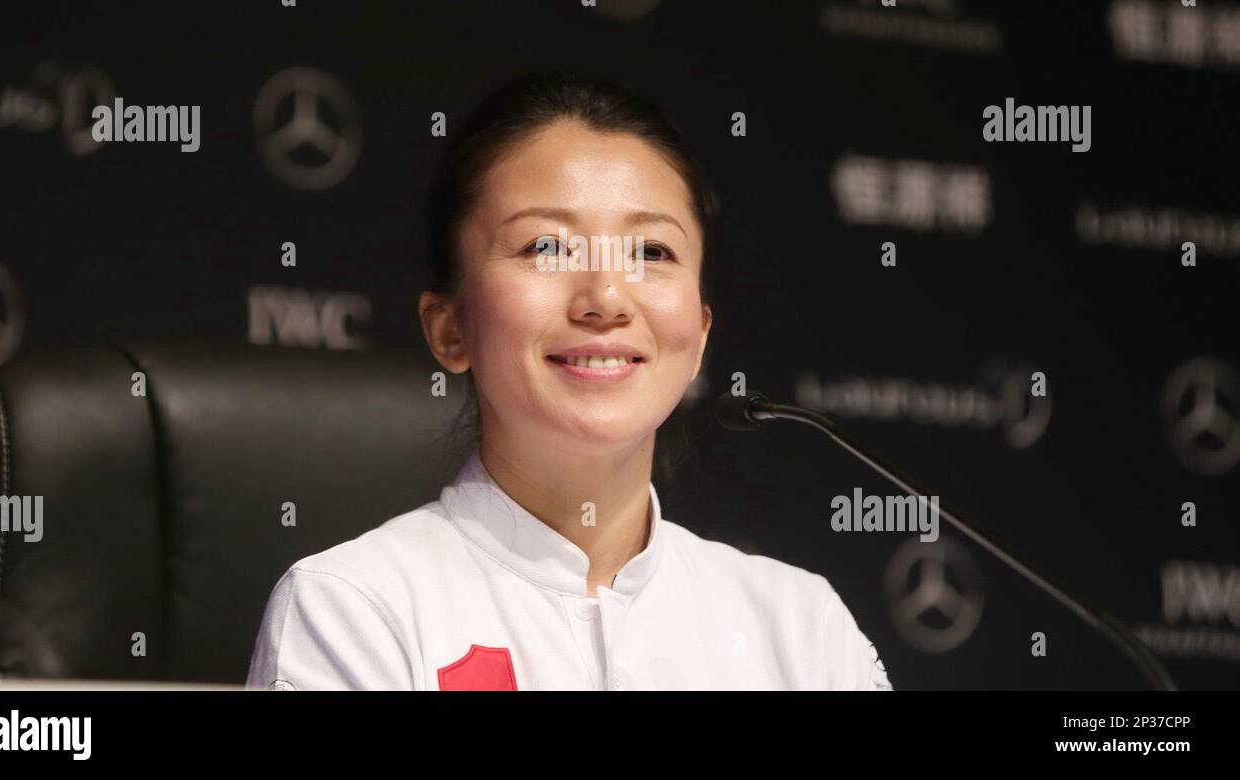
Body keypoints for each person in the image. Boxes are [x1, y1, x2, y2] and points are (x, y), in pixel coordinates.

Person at [246, 69, 893, 690]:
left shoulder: (803, 631)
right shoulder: (355, 609)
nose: (607, 297)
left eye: (650, 252)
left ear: (697, 334)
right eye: (547, 248)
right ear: (449, 328)